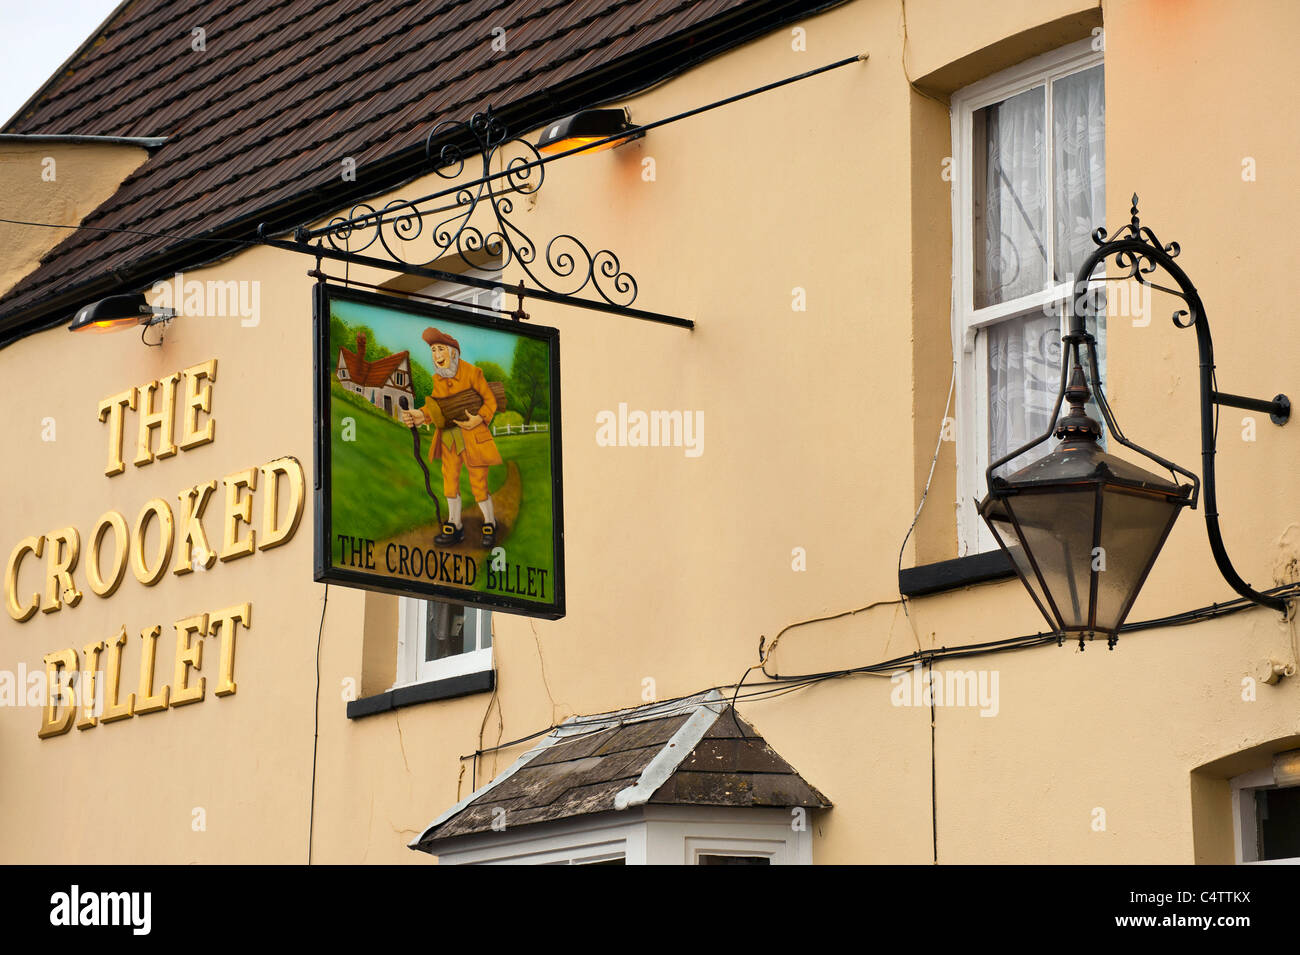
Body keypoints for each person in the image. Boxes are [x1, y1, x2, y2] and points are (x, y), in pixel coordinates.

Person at [399, 328, 503, 547]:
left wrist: (479, 419)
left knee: (478, 483)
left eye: (440, 349)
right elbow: (436, 408)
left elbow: (490, 401)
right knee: (450, 481)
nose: (436, 355)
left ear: (453, 352)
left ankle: (489, 523)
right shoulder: (438, 379)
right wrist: (419, 415)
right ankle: (454, 525)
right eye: (433, 350)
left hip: (474, 437)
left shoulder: (473, 373)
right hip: (449, 438)